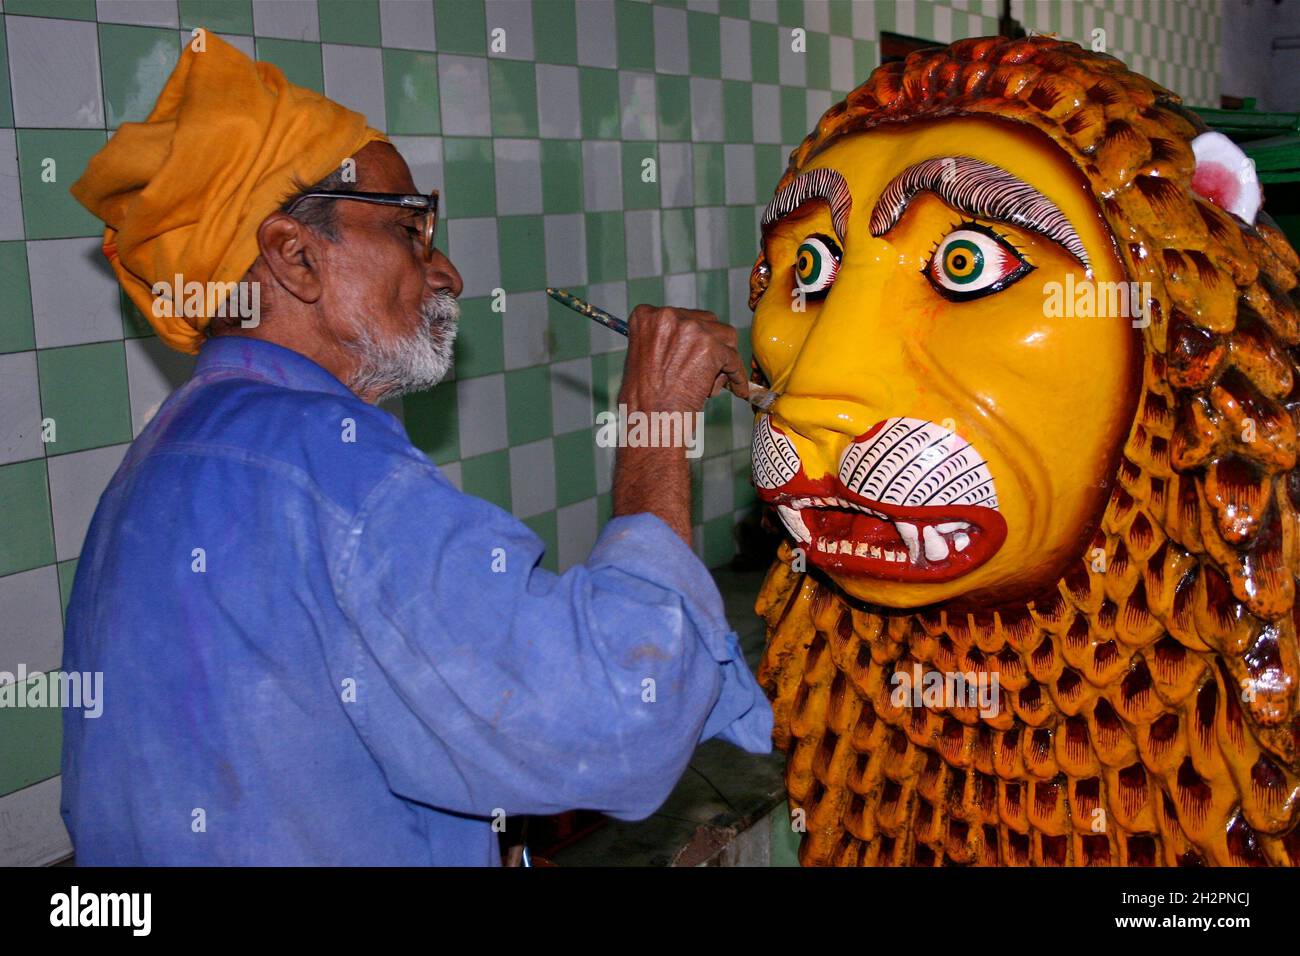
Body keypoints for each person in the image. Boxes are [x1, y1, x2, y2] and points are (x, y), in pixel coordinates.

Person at [60, 31, 771, 865]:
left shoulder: (161, 462)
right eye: (412, 231)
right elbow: (618, 708)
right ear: (293, 256)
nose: (448, 275)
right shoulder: (332, 466)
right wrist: (656, 418)